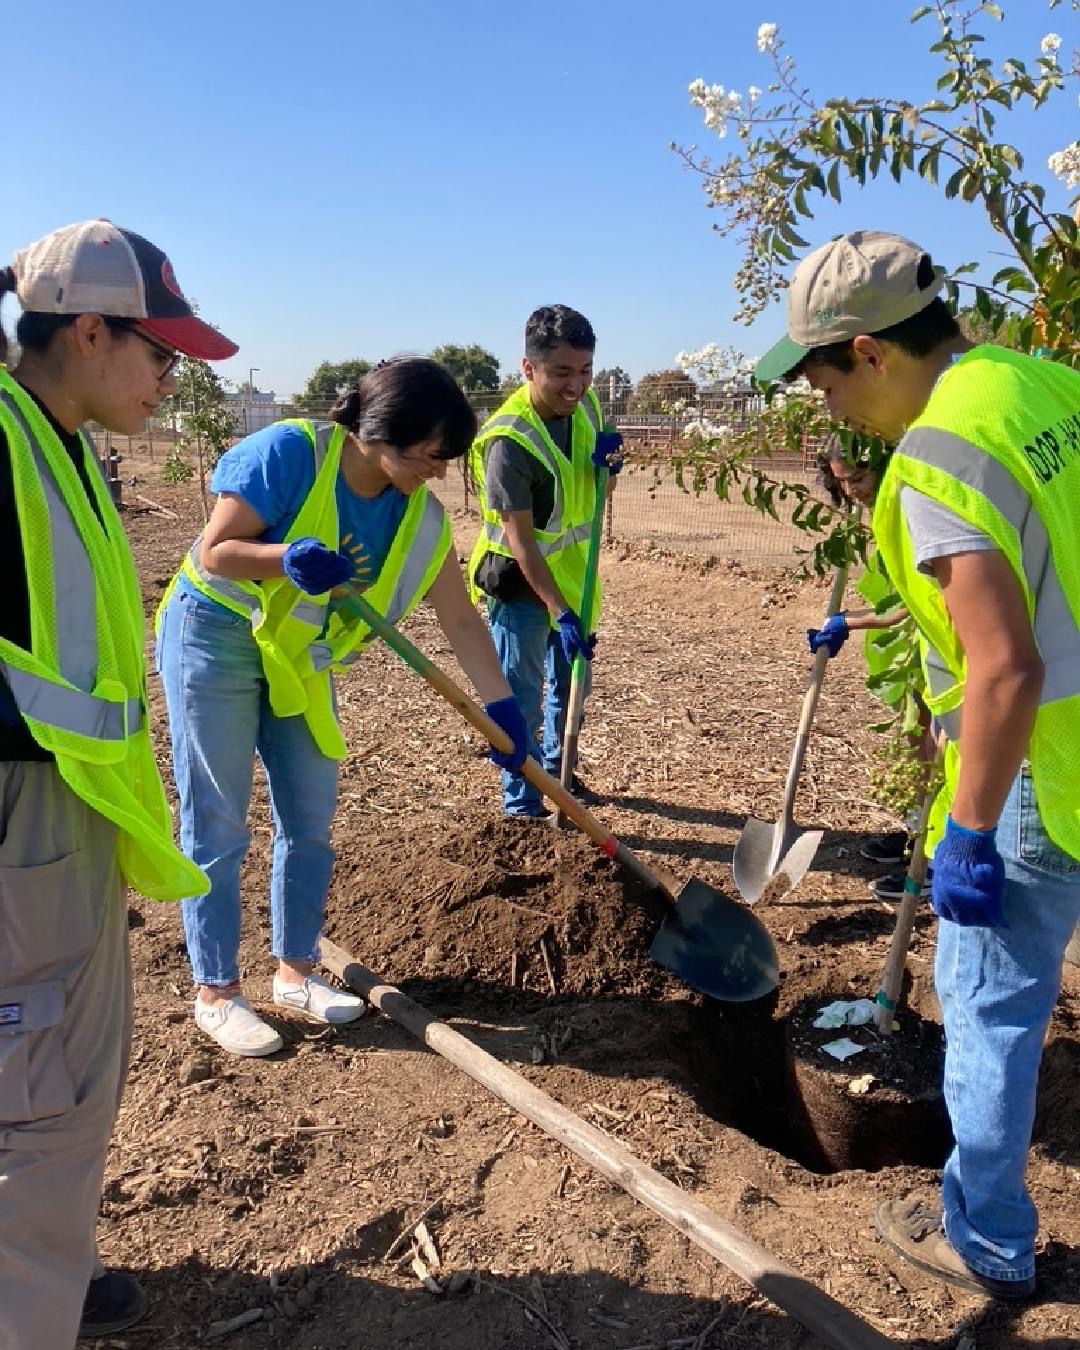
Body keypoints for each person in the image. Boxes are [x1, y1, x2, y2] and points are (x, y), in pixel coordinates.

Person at [757, 229, 1080, 1300]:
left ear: (869, 351)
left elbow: (1004, 670)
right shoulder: (1036, 383)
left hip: (1039, 763)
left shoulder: (940, 453)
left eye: (823, 381)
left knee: (987, 1001)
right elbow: (1035, 554)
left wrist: (976, 830)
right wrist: (869, 601)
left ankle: (984, 1239)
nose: (827, 408)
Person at [0, 219, 236, 1348]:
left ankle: (55, 1266)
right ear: (88, 331)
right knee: (32, 1098)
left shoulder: (59, 443)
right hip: (19, 822)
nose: (171, 378)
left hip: (64, 816)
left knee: (62, 1075)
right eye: (162, 353)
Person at [156, 358, 530, 1058]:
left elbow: (460, 620)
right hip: (217, 633)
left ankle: (295, 972)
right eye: (431, 454)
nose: (440, 471)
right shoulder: (291, 452)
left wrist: (504, 712)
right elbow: (217, 554)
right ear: (383, 433)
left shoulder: (419, 517)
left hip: (297, 658)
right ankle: (217, 990)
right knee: (218, 817)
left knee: (310, 817)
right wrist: (286, 556)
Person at [468, 305, 622, 818]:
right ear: (528, 369)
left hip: (575, 579)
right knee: (522, 697)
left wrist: (609, 468)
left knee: (573, 689)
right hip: (521, 587)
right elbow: (523, 543)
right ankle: (523, 803)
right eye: (561, 373)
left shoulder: (590, 408)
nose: (575, 385)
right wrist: (559, 611)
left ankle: (561, 776)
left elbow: (593, 500)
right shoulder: (509, 443)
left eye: (584, 371)